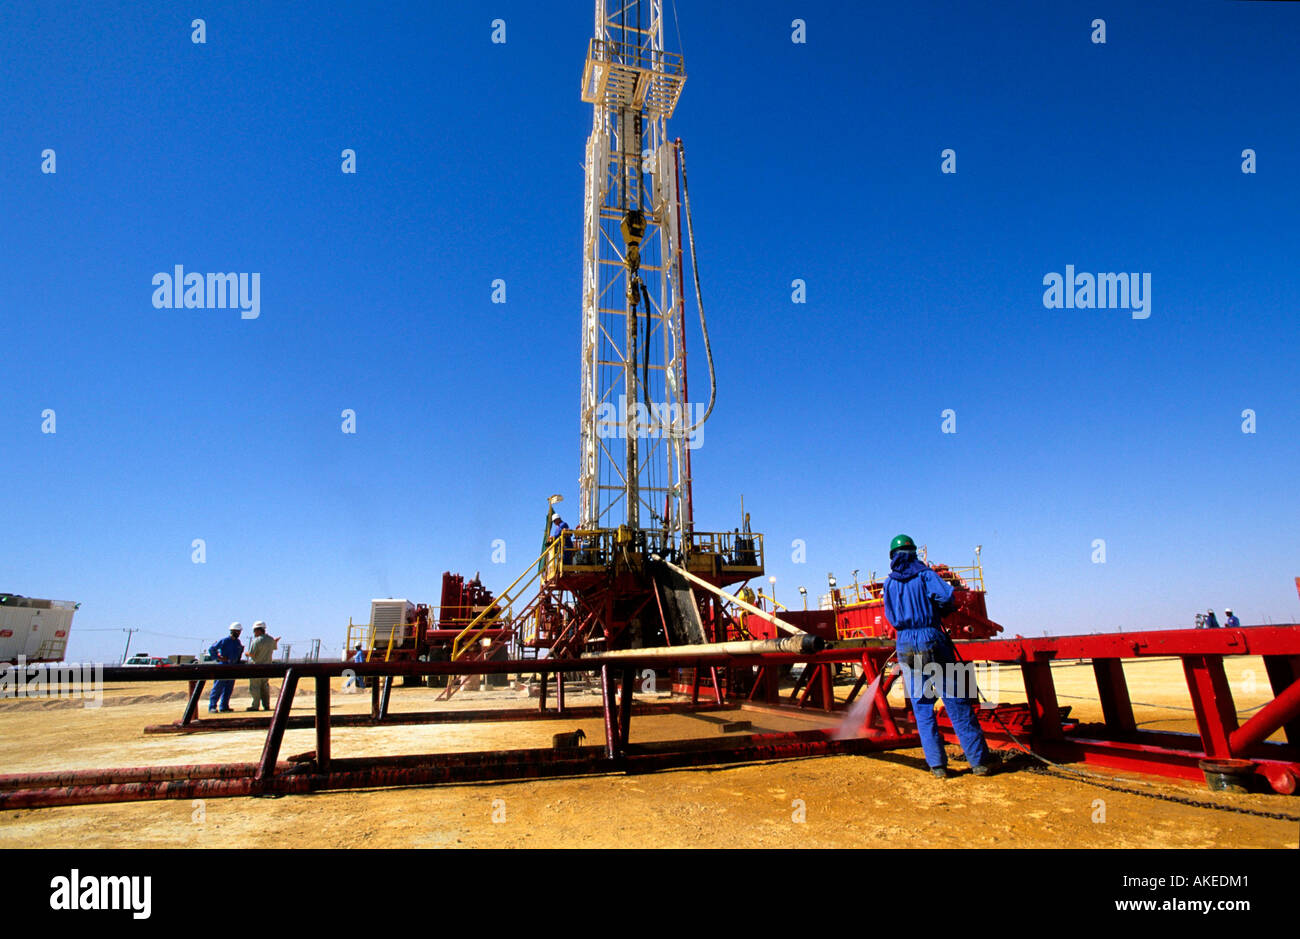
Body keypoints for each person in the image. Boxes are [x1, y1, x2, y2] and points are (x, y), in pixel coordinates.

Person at [882, 534, 994, 779]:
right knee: (956, 699)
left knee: (922, 705)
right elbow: (946, 597)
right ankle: (979, 762)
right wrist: (938, 610)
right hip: (931, 637)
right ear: (914, 553)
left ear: (892, 557)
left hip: (905, 642)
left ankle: (937, 766)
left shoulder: (889, 584)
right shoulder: (925, 575)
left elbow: (890, 615)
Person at [207, 623, 244, 713]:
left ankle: (224, 706)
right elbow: (212, 649)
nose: (239, 633)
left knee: (228, 688)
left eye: (239, 631)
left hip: (232, 667)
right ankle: (212, 706)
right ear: (232, 631)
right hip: (223, 667)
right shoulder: (224, 641)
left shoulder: (238, 642)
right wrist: (219, 658)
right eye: (237, 631)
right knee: (218, 687)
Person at [244, 621, 280, 711]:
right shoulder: (271, 639)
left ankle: (255, 706)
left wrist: (246, 653)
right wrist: (275, 642)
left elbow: (252, 654)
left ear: (258, 630)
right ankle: (266, 705)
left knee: (255, 687)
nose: (254, 633)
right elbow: (274, 647)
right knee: (265, 687)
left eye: (254, 630)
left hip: (257, 667)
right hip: (267, 667)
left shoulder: (257, 640)